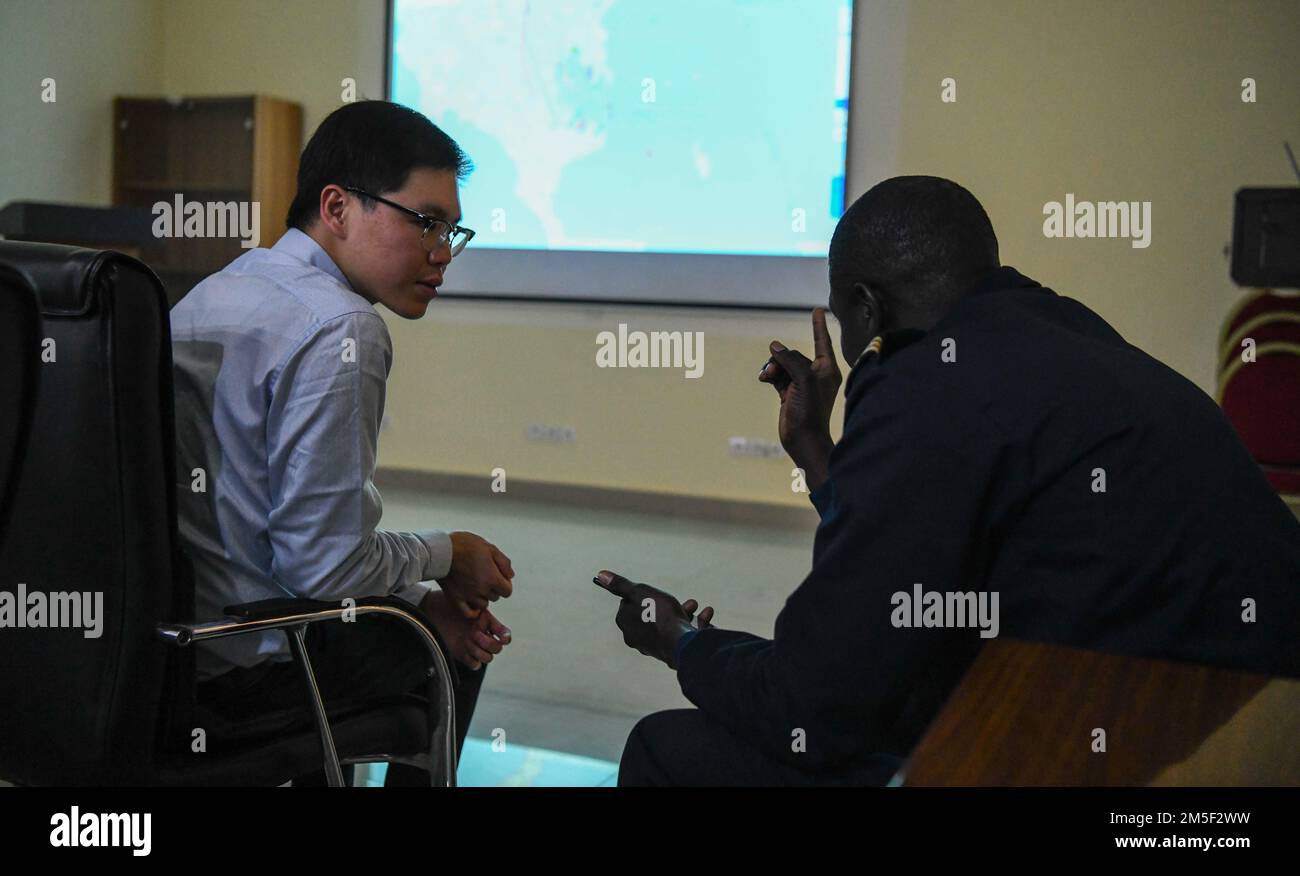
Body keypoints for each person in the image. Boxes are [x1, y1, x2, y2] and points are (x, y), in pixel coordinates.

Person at [598, 175, 1300, 786]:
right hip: (1234, 719)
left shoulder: (923, 383)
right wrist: (818, 451)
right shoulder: (1066, 333)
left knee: (666, 750)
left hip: (1121, 744)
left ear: (868, 308)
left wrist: (680, 641)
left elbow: (813, 710)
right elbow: (917, 567)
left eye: (845, 318)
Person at [170, 100, 514, 785]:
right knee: (449, 647)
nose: (442, 253)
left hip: (167, 651)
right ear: (337, 207)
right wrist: (450, 556)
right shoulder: (341, 329)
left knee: (422, 615)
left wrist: (416, 594)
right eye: (425, 222)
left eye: (453, 229)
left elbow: (277, 541)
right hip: (250, 669)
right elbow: (322, 573)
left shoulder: (213, 293)